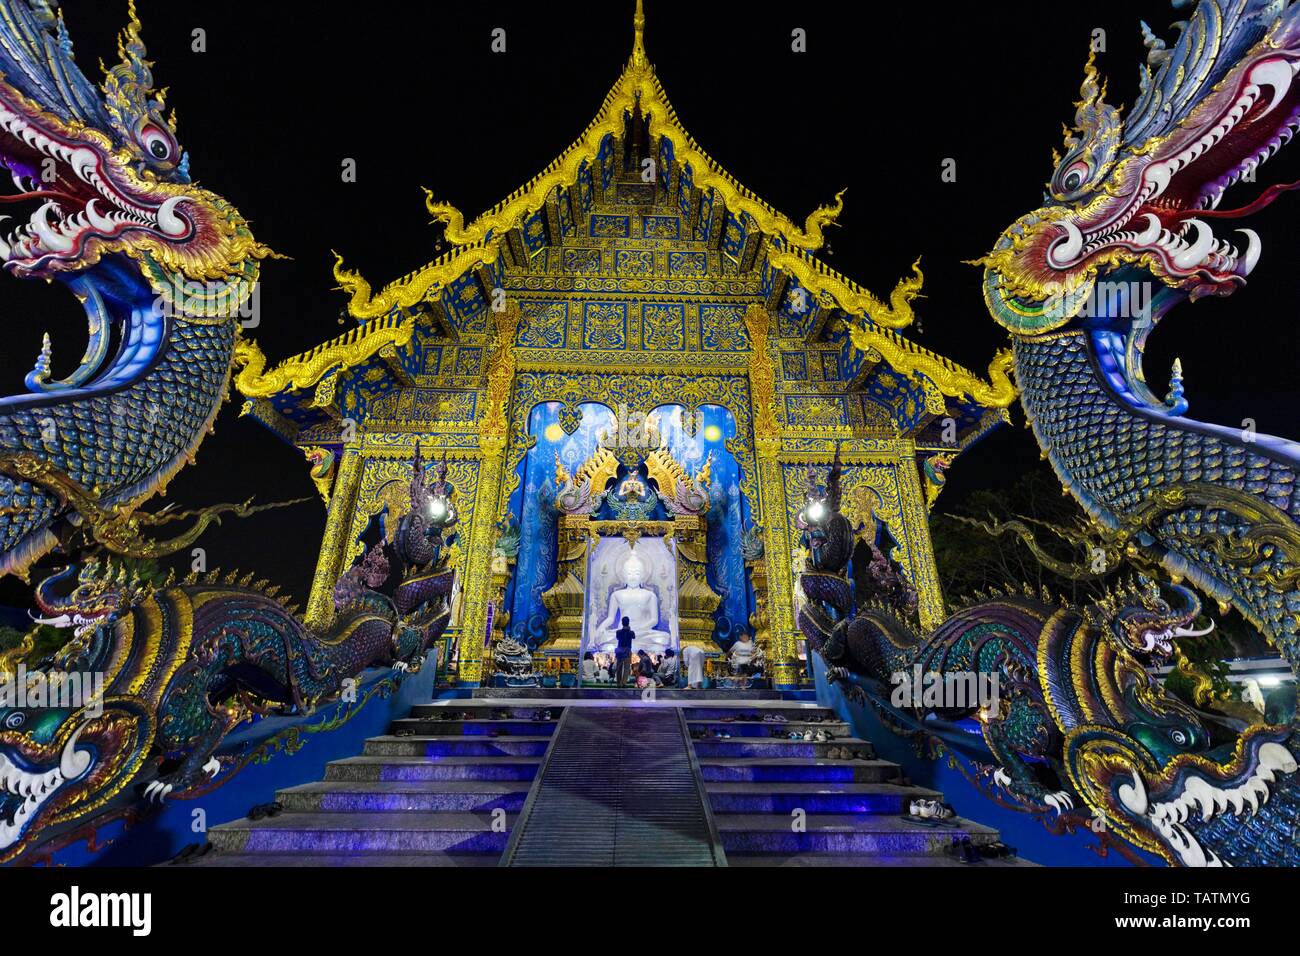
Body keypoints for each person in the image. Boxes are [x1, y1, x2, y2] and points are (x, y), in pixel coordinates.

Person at [614, 616, 635, 686]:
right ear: (628, 623)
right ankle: (623, 683)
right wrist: (629, 629)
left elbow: (617, 638)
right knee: (626, 668)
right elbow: (633, 637)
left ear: (622, 623)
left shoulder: (618, 632)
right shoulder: (631, 632)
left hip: (620, 651)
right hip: (627, 651)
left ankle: (618, 682)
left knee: (619, 667)